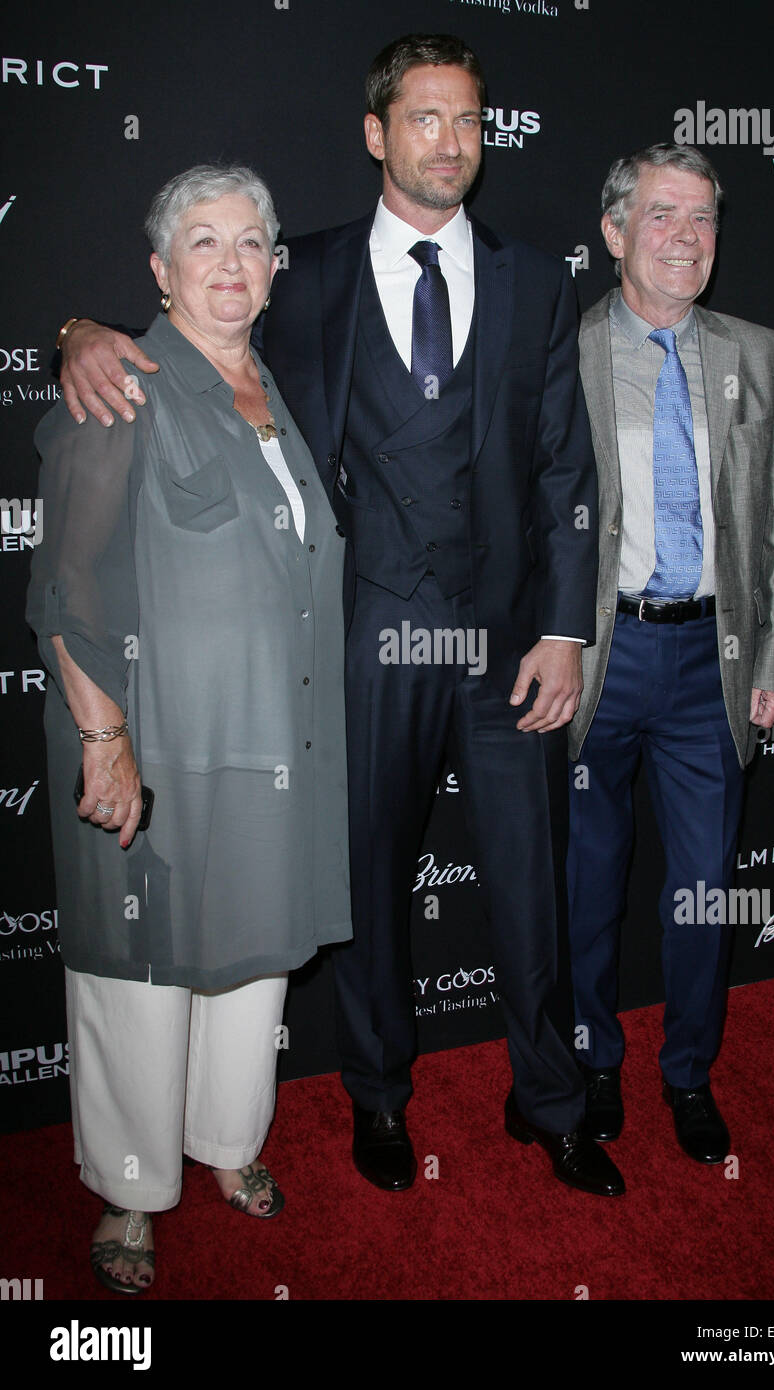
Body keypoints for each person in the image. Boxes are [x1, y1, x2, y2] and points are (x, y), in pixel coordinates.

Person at [58, 35, 624, 1200]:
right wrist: (79, 332)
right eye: (423, 119)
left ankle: (550, 1097)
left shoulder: (532, 281)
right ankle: (377, 1094)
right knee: (364, 886)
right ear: (376, 135)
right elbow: (186, 325)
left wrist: (565, 630)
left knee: (530, 882)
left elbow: (567, 471)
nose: (448, 141)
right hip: (356, 642)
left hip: (503, 645)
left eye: (466, 120)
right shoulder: (295, 272)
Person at [28, 164, 351, 1293]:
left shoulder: (274, 383)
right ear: (159, 271)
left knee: (249, 965)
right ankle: (128, 1187)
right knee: (141, 974)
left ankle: (225, 1142)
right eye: (200, 242)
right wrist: (101, 741)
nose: (229, 262)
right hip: (151, 746)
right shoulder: (119, 384)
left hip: (271, 746)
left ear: (272, 272)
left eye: (250, 243)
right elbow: (62, 592)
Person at [566, 144, 774, 1163]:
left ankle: (686, 1073)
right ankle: (588, 1064)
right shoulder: (559, 348)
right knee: (585, 881)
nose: (684, 237)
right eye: (661, 216)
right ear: (615, 232)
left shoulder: (759, 353)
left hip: (710, 658)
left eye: (702, 218)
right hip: (595, 656)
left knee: (703, 886)